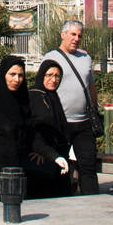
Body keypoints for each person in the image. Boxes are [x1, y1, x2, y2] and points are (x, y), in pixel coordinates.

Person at [0, 56, 67, 202]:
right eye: (12, 74)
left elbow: (31, 136)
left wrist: (54, 156)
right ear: (3, 75)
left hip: (20, 168)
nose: (17, 80)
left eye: (20, 75)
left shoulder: (22, 103)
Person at [40, 20, 102, 194]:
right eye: (73, 34)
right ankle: (60, 198)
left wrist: (95, 110)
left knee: (88, 165)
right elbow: (44, 87)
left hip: (84, 122)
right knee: (59, 164)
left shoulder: (85, 58)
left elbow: (91, 86)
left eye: (79, 36)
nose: (76, 39)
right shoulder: (51, 57)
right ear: (63, 35)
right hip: (61, 122)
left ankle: (92, 200)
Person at [27, 61, 73, 198]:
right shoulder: (33, 96)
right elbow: (29, 128)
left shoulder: (53, 97)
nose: (53, 80)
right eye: (49, 75)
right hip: (41, 161)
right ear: (42, 75)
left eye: (57, 76)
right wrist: (39, 150)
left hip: (58, 158)